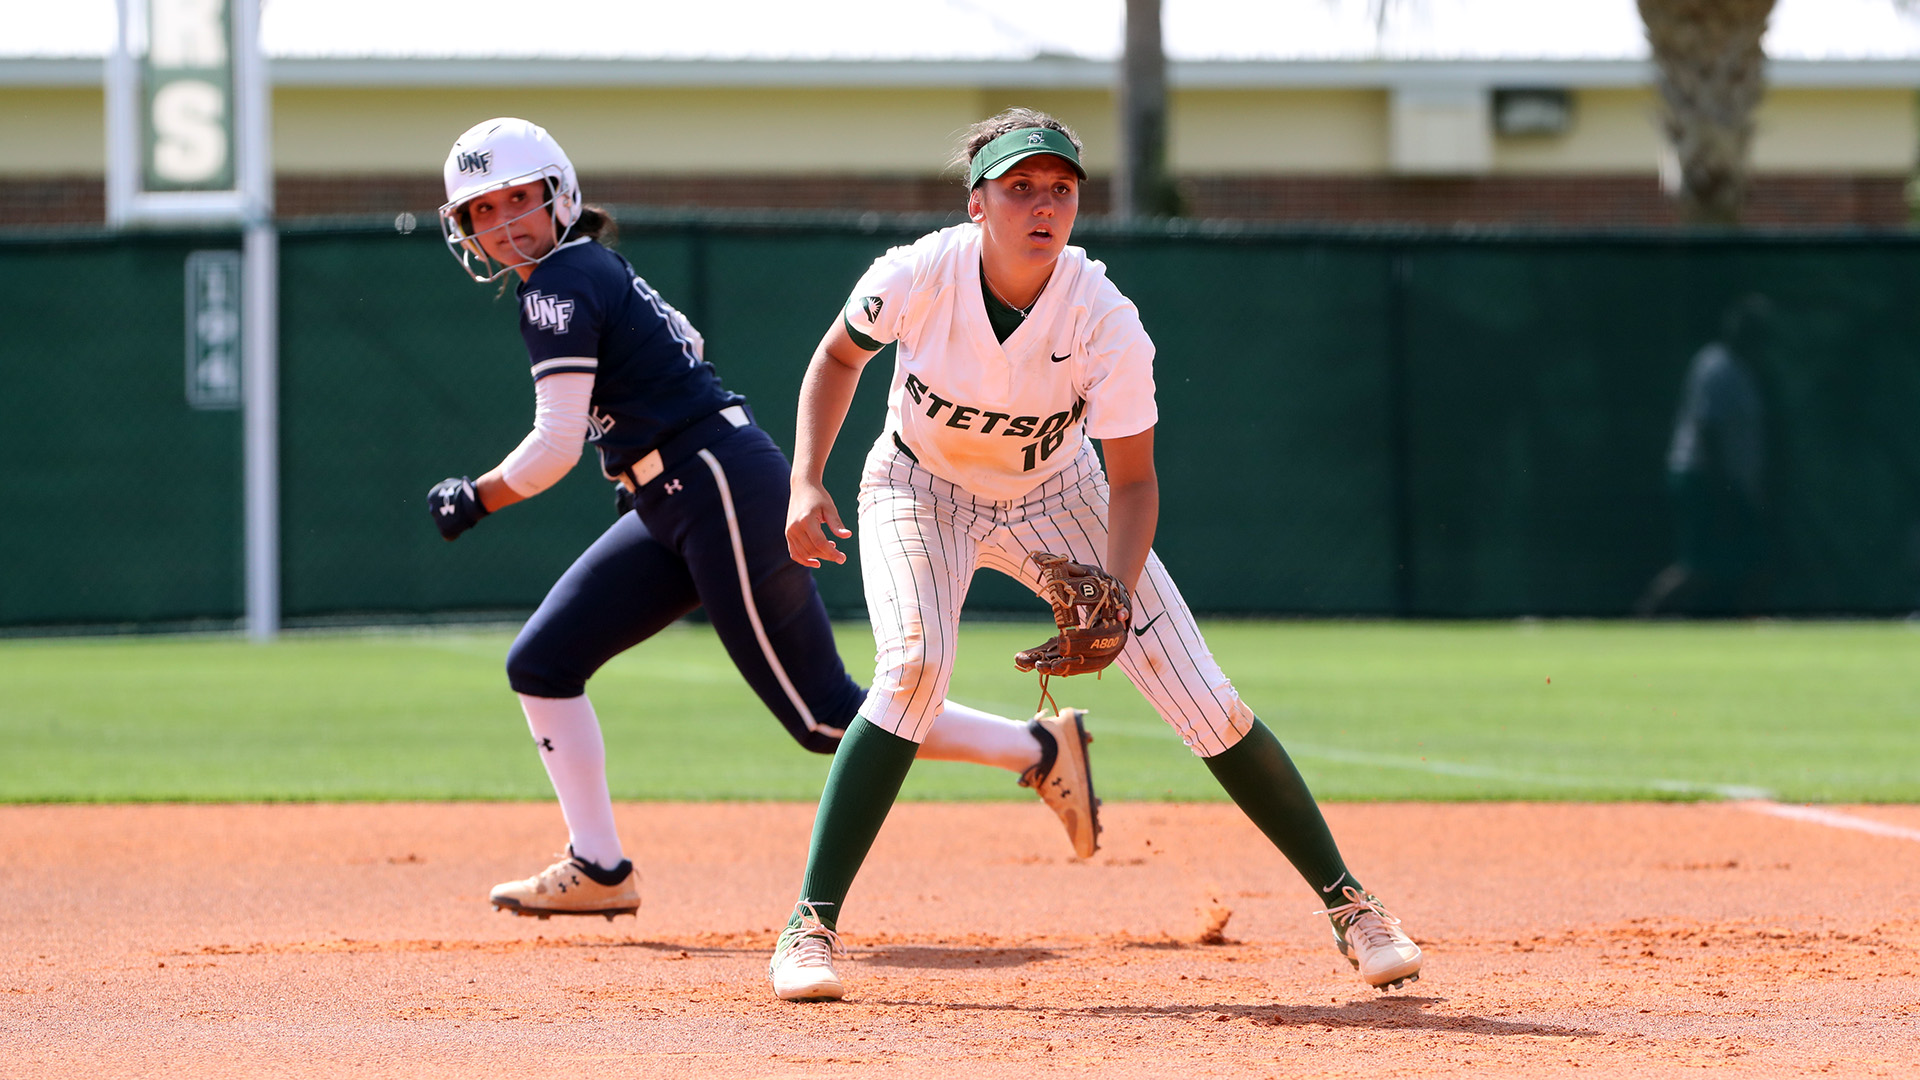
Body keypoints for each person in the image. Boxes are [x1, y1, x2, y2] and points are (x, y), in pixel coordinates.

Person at [768, 109, 1424, 1002]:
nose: (1044, 205)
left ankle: (1354, 908)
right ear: (978, 203)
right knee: (914, 668)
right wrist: (807, 479)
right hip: (918, 488)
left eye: (1062, 190)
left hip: (1059, 494)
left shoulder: (1105, 316)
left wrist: (1111, 596)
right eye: (1020, 187)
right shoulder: (921, 273)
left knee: (1207, 702)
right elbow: (837, 358)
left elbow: (1135, 481)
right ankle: (810, 925)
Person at [424, 117, 1101, 921]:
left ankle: (1040, 748)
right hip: (680, 489)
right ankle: (599, 864)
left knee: (823, 715)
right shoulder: (588, 268)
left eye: (518, 200)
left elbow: (553, 448)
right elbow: (683, 350)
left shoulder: (560, 284)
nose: (503, 224)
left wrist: (476, 495)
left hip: (710, 485)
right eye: (482, 211)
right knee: (542, 663)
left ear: (558, 193)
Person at [1637, 294, 1770, 616]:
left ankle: (1747, 633)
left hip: (1729, 483)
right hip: (1705, 480)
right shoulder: (1716, 366)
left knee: (1749, 562)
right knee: (1699, 566)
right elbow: (1709, 431)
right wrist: (1722, 491)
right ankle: (1642, 618)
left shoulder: (1742, 370)